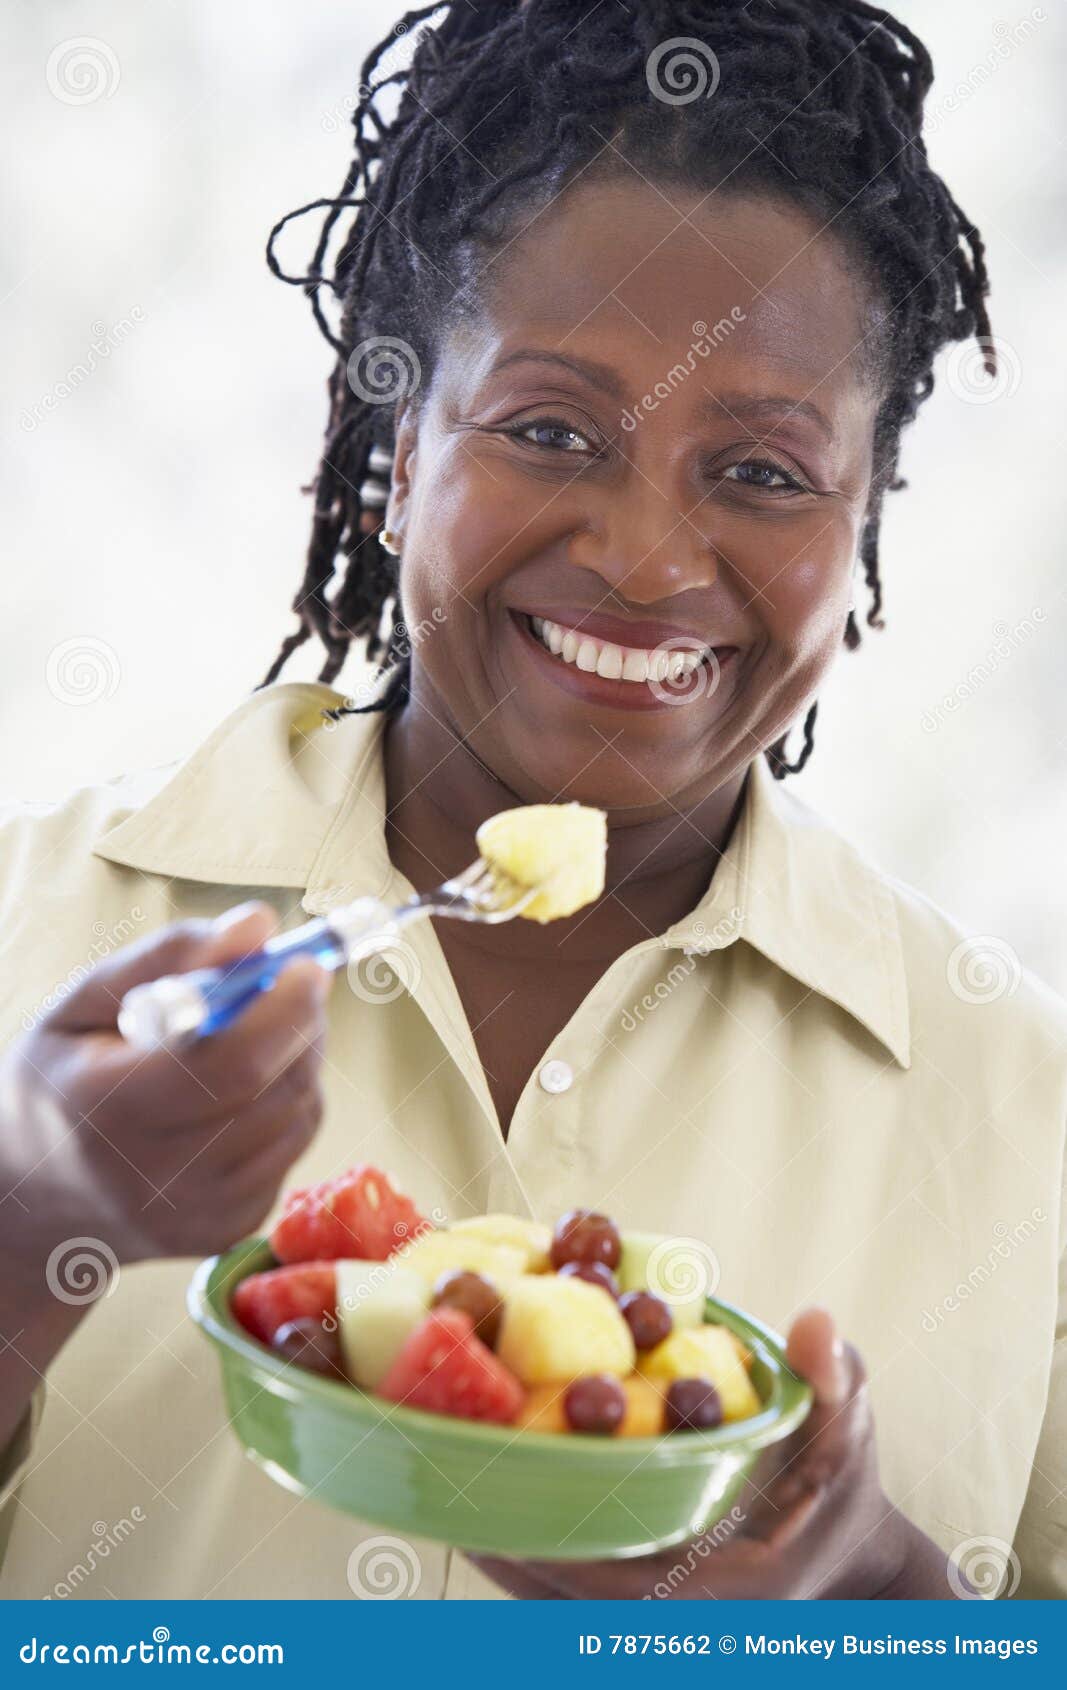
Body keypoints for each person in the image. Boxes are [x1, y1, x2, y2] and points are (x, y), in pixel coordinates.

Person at [1, 0, 1064, 1601]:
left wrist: (866, 1595)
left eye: (765, 471)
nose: (644, 558)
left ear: (864, 528)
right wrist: (26, 1236)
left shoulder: (1022, 1105)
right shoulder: (33, 930)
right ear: (389, 450)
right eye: (551, 429)